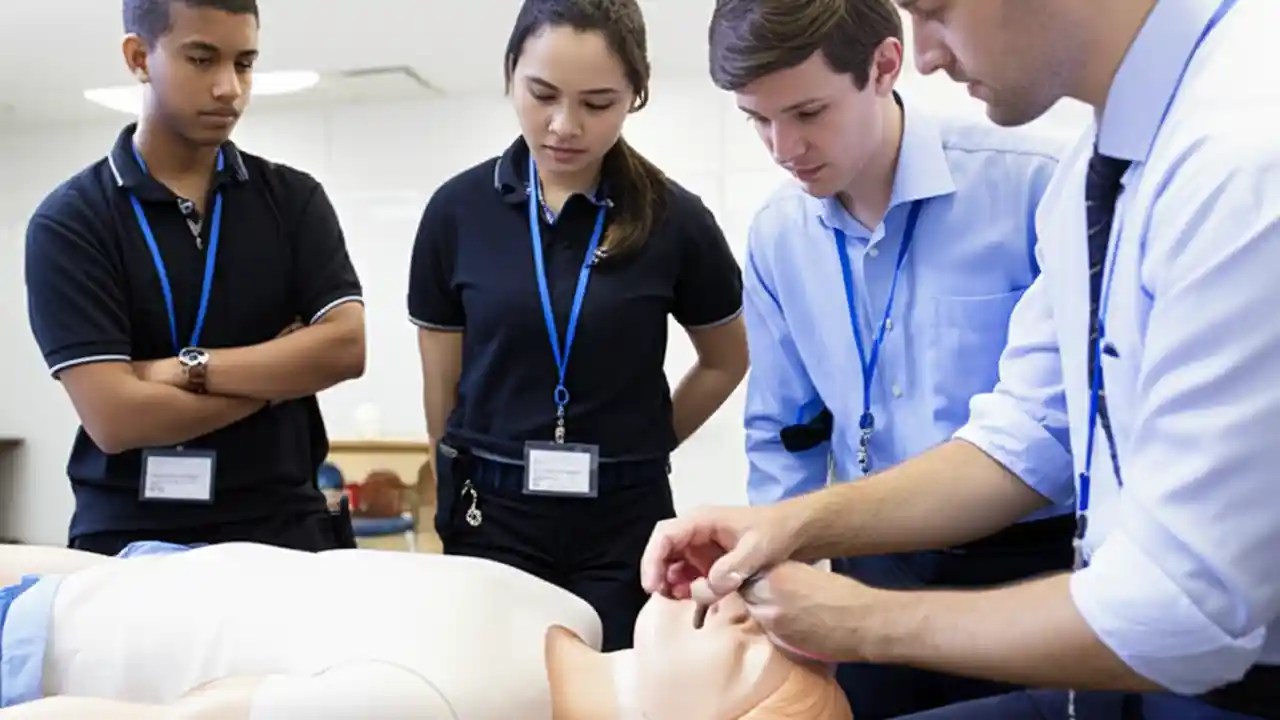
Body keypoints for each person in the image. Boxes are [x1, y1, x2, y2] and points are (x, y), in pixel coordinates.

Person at [643, 0, 1280, 717]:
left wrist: (859, 621)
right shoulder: (1091, 177)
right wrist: (791, 527)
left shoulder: (1240, 154)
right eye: (759, 122)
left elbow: (1188, 613)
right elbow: (1024, 436)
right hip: (1097, 626)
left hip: (1187, 656)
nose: (927, 58)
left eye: (935, 10)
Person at [705, 0, 1074, 716]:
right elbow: (784, 430)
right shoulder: (779, 236)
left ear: (883, 66)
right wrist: (770, 576)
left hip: (1028, 565)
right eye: (759, 120)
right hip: (870, 561)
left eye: (809, 113)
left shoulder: (1032, 188)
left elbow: (1051, 433)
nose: (784, 147)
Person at [409, 0, 748, 652]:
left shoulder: (675, 219)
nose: (564, 126)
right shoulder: (458, 212)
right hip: (493, 512)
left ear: (635, 97)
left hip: (625, 516)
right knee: (499, 693)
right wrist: (452, 484)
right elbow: (441, 387)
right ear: (510, 75)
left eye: (598, 103)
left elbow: (726, 360)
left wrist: (650, 441)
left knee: (619, 692)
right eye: (542, 95)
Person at [22, 0, 365, 556]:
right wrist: (278, 383)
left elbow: (346, 348)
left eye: (245, 63)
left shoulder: (294, 199)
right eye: (202, 60)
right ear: (139, 57)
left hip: (280, 527)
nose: (230, 88)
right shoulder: (71, 220)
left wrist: (184, 370)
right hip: (127, 533)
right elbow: (116, 418)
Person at [0, 542, 850, 720]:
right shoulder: (572, 612)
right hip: (89, 580)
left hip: (33, 661)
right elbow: (230, 573)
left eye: (749, 659)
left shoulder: (437, 708)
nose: (744, 613)